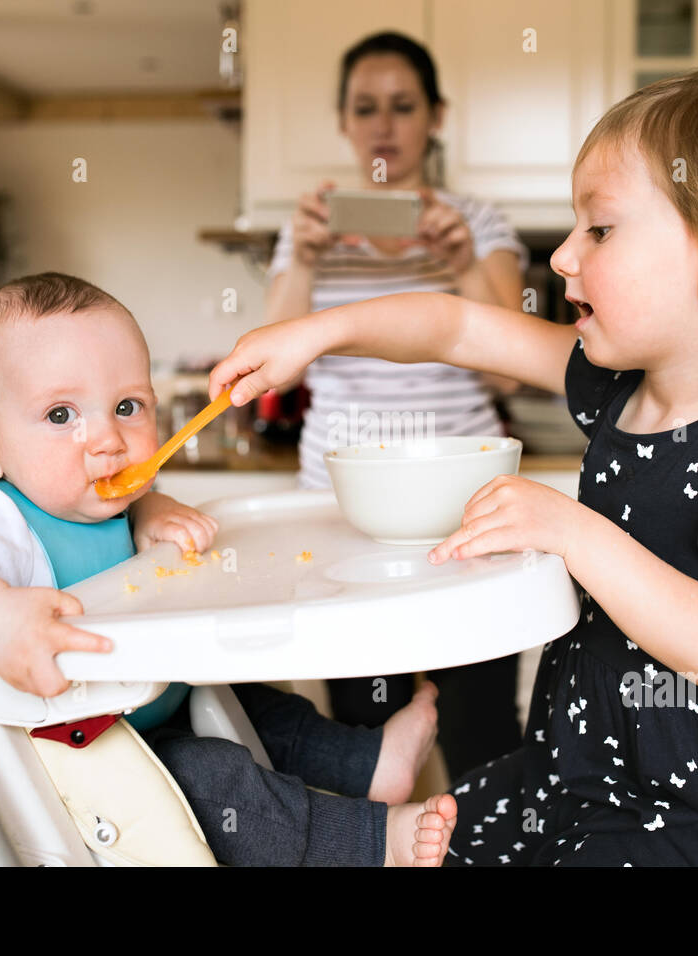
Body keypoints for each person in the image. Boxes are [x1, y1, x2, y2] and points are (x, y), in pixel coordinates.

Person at [209, 68, 698, 865]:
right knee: (444, 839)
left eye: (600, 231)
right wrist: (318, 333)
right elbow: (456, 328)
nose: (565, 256)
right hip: (592, 760)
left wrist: (572, 530)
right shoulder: (616, 388)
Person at [0, 272, 457, 867]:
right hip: (75, 759)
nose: (107, 439)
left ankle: (368, 762)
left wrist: (153, 508)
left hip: (147, 711)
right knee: (213, 782)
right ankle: (369, 841)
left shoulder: (99, 497)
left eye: (127, 407)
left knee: (255, 697)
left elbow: (116, 519)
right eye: (59, 415)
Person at [265, 30, 528, 777]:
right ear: (344, 122)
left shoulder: (476, 222)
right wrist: (306, 260)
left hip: (463, 506)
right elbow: (276, 374)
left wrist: (462, 264)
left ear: (436, 116)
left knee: (481, 726)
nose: (384, 125)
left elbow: (512, 373)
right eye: (366, 107)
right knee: (365, 732)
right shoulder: (309, 228)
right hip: (341, 509)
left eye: (404, 106)